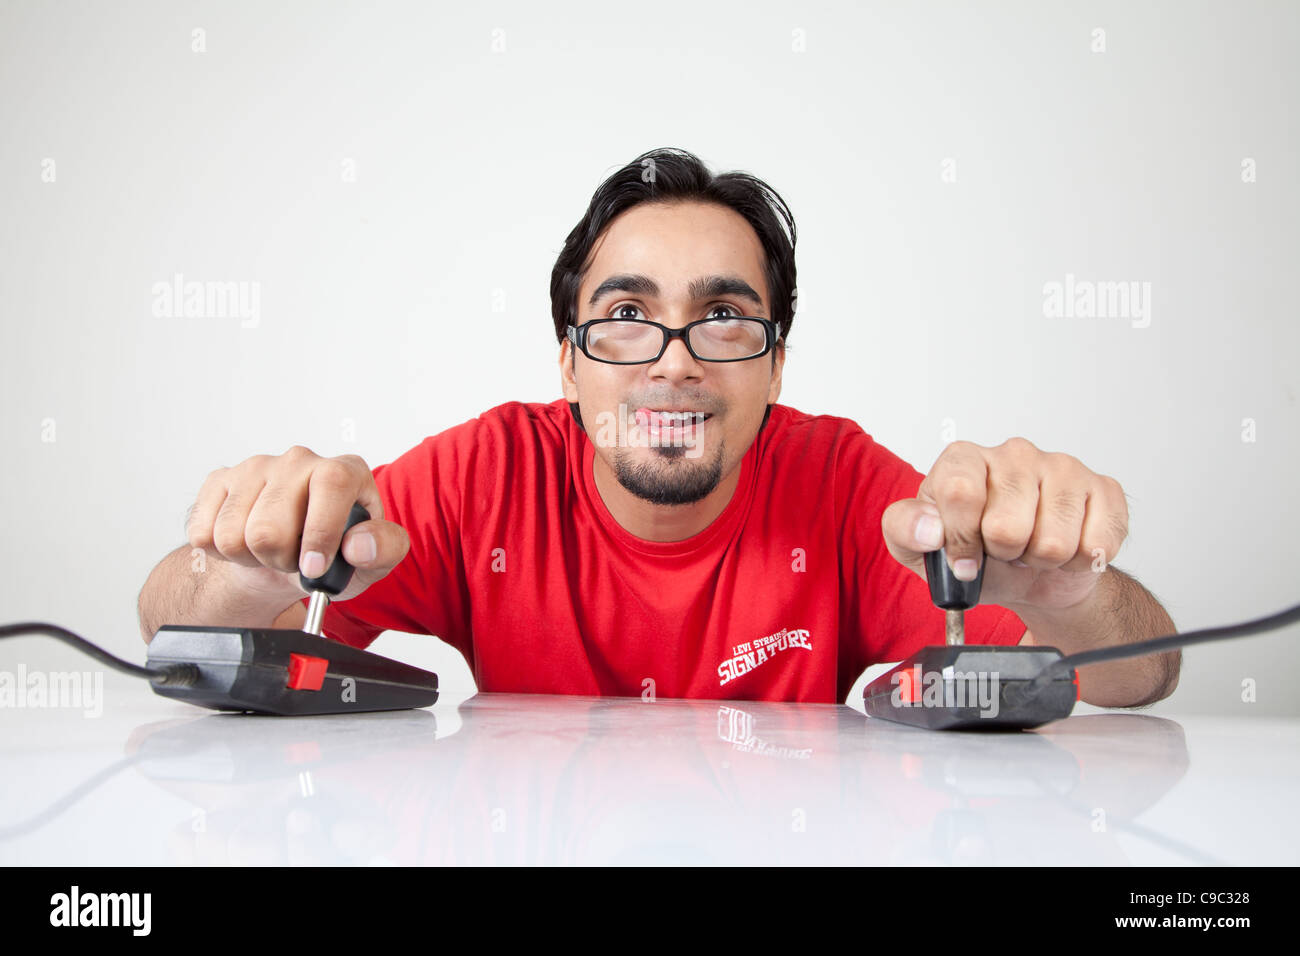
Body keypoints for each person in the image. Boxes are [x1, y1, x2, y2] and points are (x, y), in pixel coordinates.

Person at [138, 147, 1180, 706]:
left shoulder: (844, 483)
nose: (675, 356)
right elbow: (168, 627)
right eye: (627, 315)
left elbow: (1143, 675)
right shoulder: (486, 473)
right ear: (567, 356)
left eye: (723, 316)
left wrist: (1067, 593)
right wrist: (256, 566)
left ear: (774, 362)